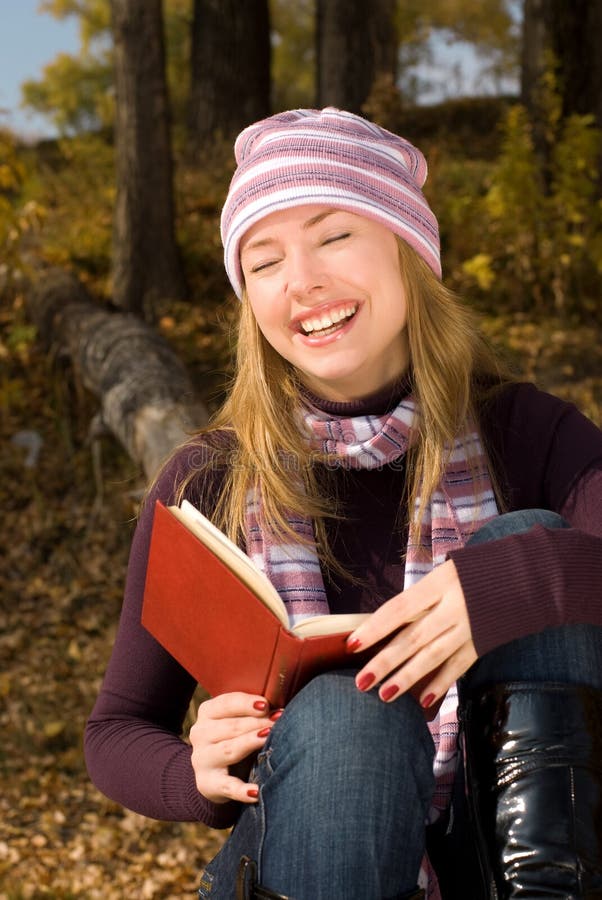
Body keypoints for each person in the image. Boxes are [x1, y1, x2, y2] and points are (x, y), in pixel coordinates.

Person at [84, 108, 602, 900]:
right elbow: (114, 731)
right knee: (347, 713)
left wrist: (501, 587)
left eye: (333, 236)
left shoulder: (526, 431)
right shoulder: (206, 479)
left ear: (407, 248)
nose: (302, 280)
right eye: (263, 261)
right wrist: (194, 771)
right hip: (302, 845)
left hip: (511, 849)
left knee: (532, 541)